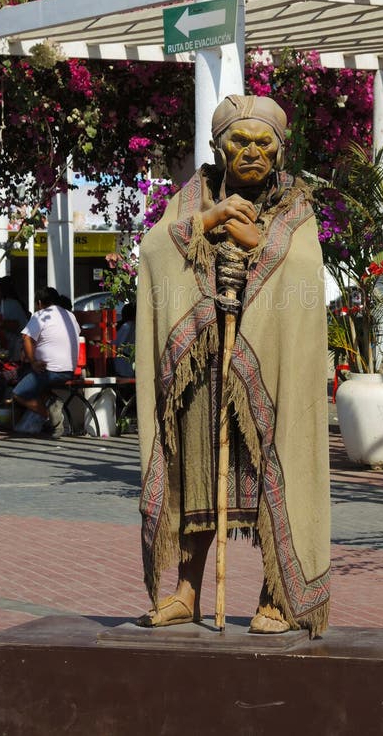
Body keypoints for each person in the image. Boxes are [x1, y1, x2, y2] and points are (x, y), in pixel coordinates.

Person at [135, 94, 330, 636]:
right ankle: (187, 592)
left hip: (268, 370)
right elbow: (152, 254)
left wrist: (258, 243)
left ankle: (280, 595)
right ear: (218, 149)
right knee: (194, 471)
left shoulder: (295, 205)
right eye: (238, 143)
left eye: (262, 143)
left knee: (275, 469)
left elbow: (306, 272)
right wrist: (209, 220)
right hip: (203, 364)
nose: (250, 152)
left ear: (280, 149)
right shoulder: (193, 197)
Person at [12, 286, 81, 438]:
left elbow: (27, 338)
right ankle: (52, 402)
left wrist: (33, 361)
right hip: (69, 370)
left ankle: (51, 417)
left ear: (39, 303)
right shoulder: (70, 315)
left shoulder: (41, 315)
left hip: (49, 370)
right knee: (37, 386)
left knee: (18, 393)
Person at [113, 303, 135, 378]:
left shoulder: (126, 326)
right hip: (131, 367)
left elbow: (114, 344)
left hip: (122, 366)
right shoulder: (134, 326)